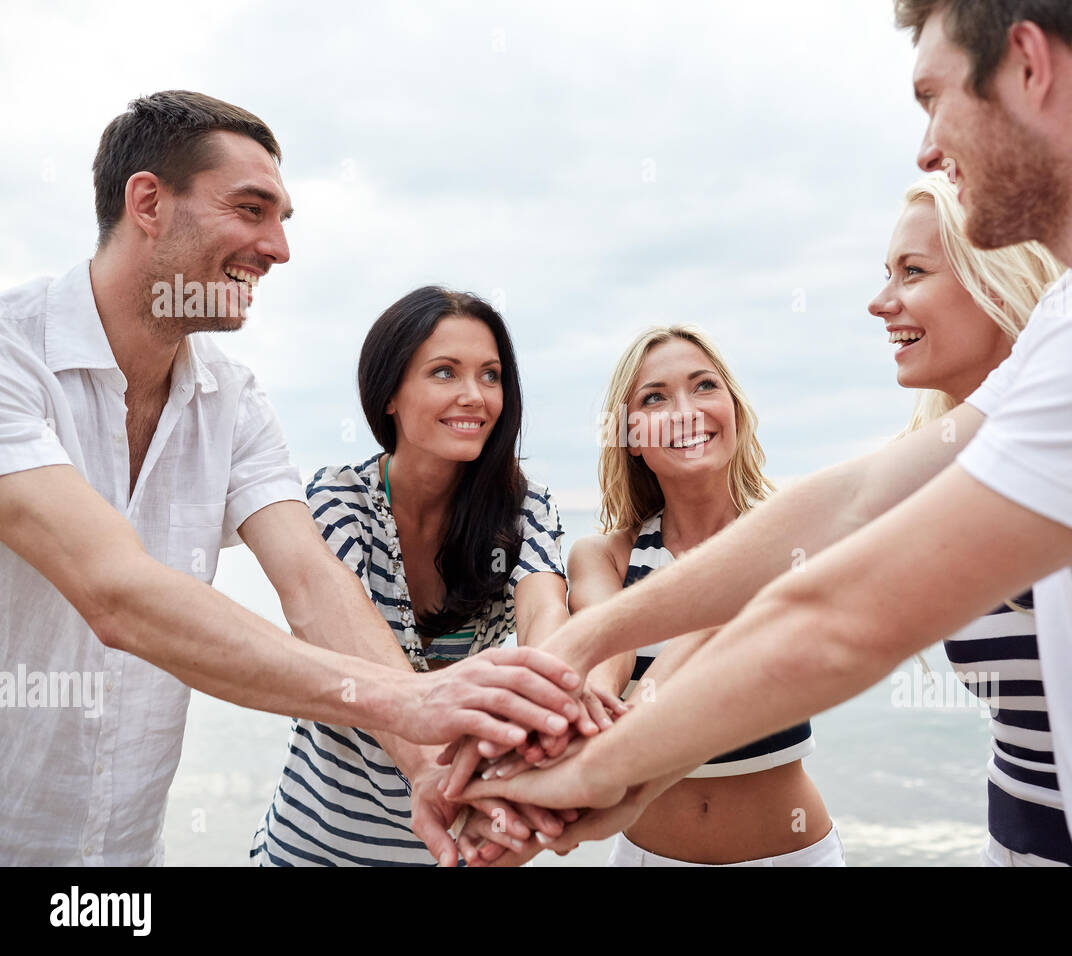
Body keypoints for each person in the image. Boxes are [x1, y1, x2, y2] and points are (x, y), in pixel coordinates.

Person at [459, 0, 1072, 866]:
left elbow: (846, 615)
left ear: (1028, 66)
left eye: (933, 97)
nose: (928, 146)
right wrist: (588, 643)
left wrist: (595, 774)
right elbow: (857, 502)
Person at [0, 92, 582, 866]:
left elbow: (313, 586)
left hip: (124, 858)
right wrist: (412, 697)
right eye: (250, 209)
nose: (277, 248)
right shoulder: (13, 354)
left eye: (282, 219)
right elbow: (115, 592)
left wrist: (429, 769)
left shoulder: (234, 400)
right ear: (148, 202)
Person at [250, 286, 611, 866]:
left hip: (461, 848)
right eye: (445, 372)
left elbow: (544, 611)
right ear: (389, 393)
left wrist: (553, 710)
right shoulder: (339, 500)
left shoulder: (524, 510)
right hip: (315, 846)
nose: (475, 396)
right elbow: (345, 635)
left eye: (490, 376)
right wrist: (428, 766)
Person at [566, 326, 839, 866]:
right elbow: (606, 650)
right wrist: (593, 709)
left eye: (704, 386)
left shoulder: (792, 533)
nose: (686, 410)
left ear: (733, 410)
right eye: (655, 398)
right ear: (632, 438)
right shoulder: (604, 557)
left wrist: (640, 703)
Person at [868, 170, 1072, 865]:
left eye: (912, 272)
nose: (880, 302)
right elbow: (809, 610)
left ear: (996, 280)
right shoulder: (933, 475)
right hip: (1012, 842)